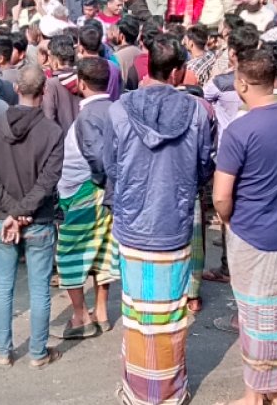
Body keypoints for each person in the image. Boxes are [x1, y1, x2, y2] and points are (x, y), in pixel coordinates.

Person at [105, 34, 215, 405]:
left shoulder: (119, 110)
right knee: (170, 315)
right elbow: (203, 167)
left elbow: (110, 166)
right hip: (174, 223)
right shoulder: (198, 112)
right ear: (179, 72)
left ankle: (138, 391)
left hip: (133, 225)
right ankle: (169, 392)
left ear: (147, 67)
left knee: (136, 313)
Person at [212, 46, 277, 405]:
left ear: (242, 83)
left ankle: (254, 394)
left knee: (255, 316)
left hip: (250, 233)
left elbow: (222, 196)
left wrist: (228, 220)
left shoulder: (239, 130)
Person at [0, 64, 65, 367]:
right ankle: (38, 353)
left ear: (16, 89)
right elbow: (48, 180)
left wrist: (11, 211)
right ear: (44, 91)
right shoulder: (52, 131)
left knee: (3, 285)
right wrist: (23, 210)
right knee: (39, 289)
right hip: (36, 219)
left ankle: (3, 351)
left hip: (4, 219)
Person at [54, 57, 118, 340]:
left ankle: (81, 316)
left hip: (86, 191)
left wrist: (99, 184)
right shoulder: (116, 109)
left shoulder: (90, 115)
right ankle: (101, 311)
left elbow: (97, 158)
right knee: (103, 250)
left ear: (81, 83)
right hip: (102, 192)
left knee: (70, 253)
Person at [42, 34, 81, 132]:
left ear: (54, 59)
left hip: (62, 140)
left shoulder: (51, 84)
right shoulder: (82, 78)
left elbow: (48, 117)